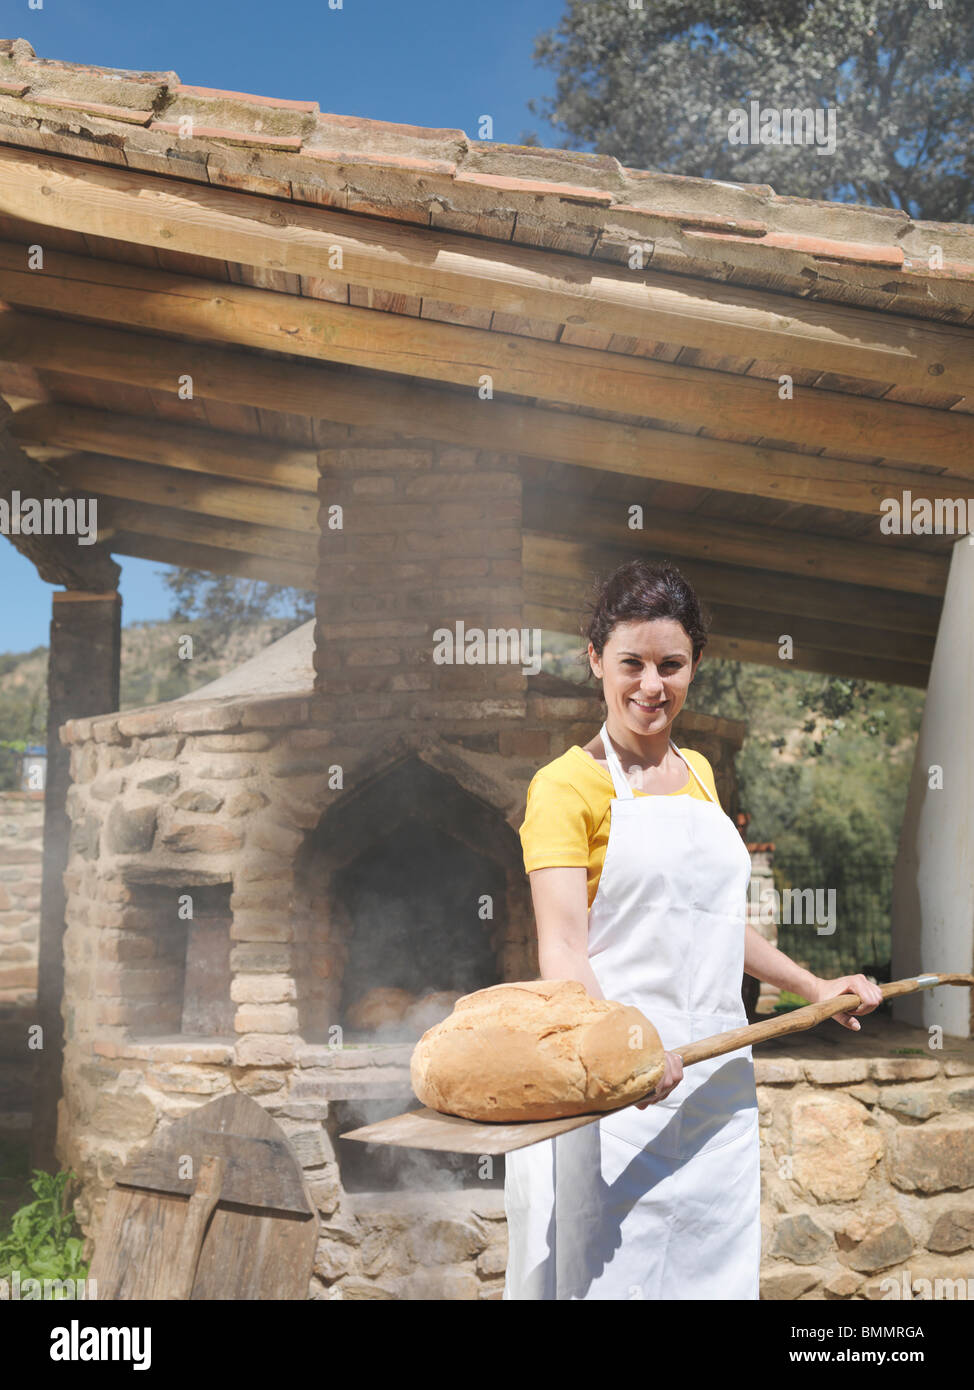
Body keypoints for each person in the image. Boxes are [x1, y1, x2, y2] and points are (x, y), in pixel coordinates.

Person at [502, 558, 883, 1300]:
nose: (652, 685)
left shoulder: (701, 773)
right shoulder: (564, 787)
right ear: (594, 662)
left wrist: (814, 988)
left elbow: (713, 926)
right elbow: (564, 950)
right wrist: (631, 1049)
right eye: (632, 663)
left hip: (715, 1089)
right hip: (619, 1094)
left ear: (696, 666)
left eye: (671, 665)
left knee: (713, 1279)